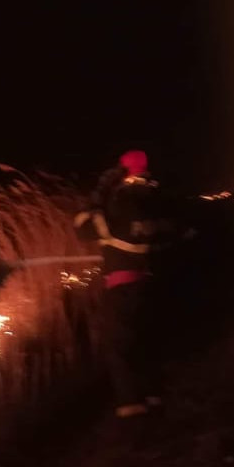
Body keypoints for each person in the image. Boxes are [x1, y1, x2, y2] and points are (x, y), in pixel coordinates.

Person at [74, 150, 191, 417]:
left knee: (120, 343)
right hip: (157, 284)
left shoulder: (120, 202)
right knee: (148, 338)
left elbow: (82, 228)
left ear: (122, 172)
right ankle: (153, 394)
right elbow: (180, 233)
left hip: (124, 286)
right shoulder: (161, 200)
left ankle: (130, 403)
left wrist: (98, 195)